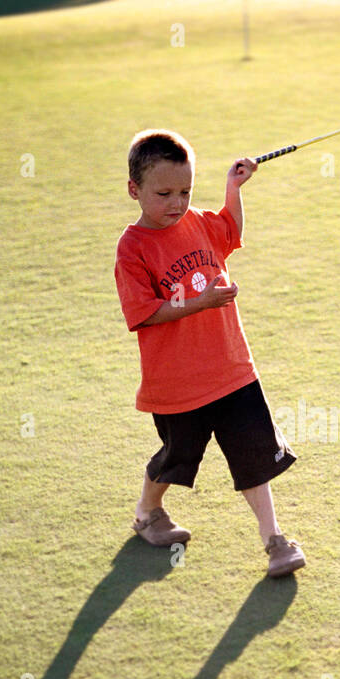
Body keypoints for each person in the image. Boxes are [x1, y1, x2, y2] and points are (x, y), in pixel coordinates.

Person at [114, 129, 305, 578]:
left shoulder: (198, 222)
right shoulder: (132, 248)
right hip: (178, 383)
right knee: (176, 457)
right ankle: (148, 512)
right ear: (133, 190)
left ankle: (275, 541)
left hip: (232, 369)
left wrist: (233, 190)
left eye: (185, 191)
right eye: (163, 193)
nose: (176, 203)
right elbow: (145, 313)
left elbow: (231, 231)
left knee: (253, 454)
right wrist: (197, 304)